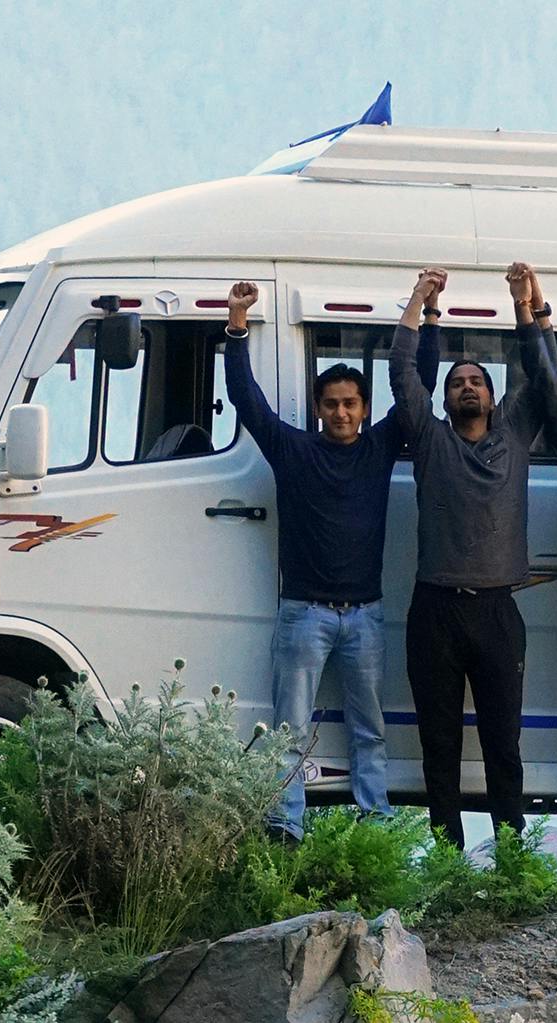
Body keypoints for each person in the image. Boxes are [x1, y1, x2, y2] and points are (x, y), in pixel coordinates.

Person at [220, 279, 413, 838]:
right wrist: (237, 326)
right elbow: (247, 401)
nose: (341, 412)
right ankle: (286, 826)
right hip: (303, 612)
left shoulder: (380, 448)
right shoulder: (293, 450)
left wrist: (423, 315)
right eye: (331, 404)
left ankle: (375, 823)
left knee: (370, 728)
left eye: (350, 404)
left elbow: (415, 387)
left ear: (365, 408)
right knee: (289, 726)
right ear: (317, 408)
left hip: (366, 615)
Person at [388, 265, 557, 841]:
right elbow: (401, 374)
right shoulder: (429, 438)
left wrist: (527, 308)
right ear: (443, 399)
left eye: (478, 381)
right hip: (435, 610)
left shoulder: (513, 436)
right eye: (458, 381)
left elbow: (544, 380)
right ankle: (447, 863)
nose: (468, 386)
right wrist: (419, 300)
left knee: (502, 744)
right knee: (438, 745)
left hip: (496, 613)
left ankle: (512, 859)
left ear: (493, 398)